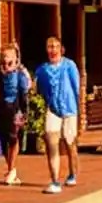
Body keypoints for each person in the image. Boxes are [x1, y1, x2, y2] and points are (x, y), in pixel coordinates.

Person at [35, 37, 81, 194]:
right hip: (53, 109)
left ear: (62, 49)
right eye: (49, 46)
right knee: (51, 141)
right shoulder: (42, 70)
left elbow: (76, 88)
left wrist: (77, 111)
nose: (52, 49)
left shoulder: (70, 66)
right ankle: (55, 180)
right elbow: (38, 88)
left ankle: (73, 173)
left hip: (69, 108)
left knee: (70, 143)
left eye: (55, 46)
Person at [0, 43, 33, 185]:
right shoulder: (1, 72)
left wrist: (24, 113)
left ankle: (11, 170)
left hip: (15, 109)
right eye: (3, 60)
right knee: (2, 140)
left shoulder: (20, 74)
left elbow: (23, 94)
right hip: (1, 109)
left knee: (13, 139)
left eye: (9, 61)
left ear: (15, 59)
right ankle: (12, 169)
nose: (6, 64)